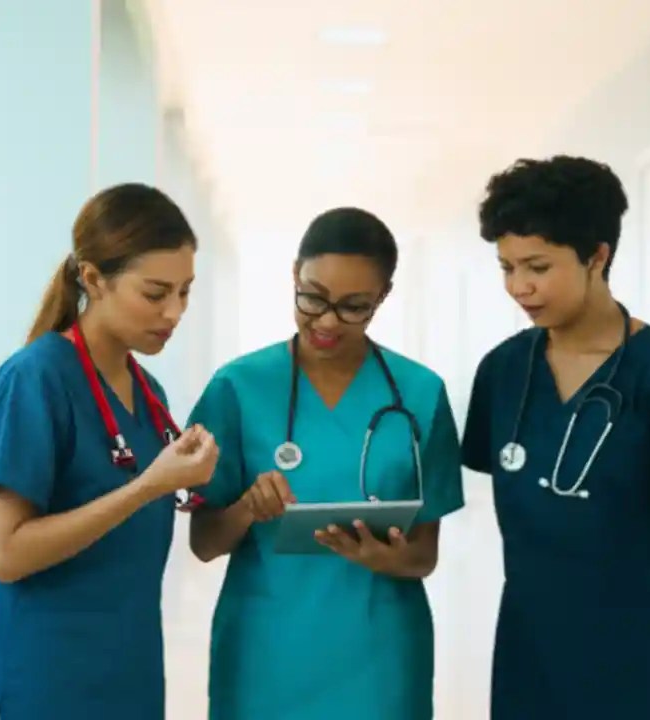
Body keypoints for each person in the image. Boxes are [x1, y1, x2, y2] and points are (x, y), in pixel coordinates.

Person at [462, 155, 650, 719]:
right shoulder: (503, 372)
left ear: (597, 256)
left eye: (537, 266)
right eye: (506, 267)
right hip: (533, 662)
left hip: (648, 669)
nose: (519, 287)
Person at [186, 207, 465, 719]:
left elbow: (425, 554)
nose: (328, 321)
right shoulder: (238, 388)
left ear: (383, 297)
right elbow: (204, 543)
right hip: (265, 651)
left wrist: (381, 558)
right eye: (313, 298)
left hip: (380, 652)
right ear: (294, 275)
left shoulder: (420, 394)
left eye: (354, 306)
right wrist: (247, 508)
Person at [0, 183, 219, 720]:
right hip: (43, 684)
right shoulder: (35, 379)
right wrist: (147, 486)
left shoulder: (150, 397)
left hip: (128, 681)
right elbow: (8, 555)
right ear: (94, 279)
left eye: (185, 292)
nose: (174, 312)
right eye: (155, 293)